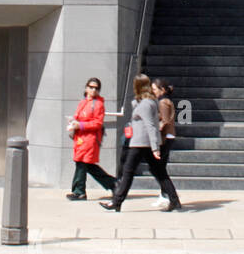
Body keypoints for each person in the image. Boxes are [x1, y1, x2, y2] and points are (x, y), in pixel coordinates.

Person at [100, 74, 183, 213]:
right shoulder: (147, 102)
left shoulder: (146, 103)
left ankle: (117, 201)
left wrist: (155, 146)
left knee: (128, 171)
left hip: (140, 143)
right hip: (143, 142)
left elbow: (151, 125)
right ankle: (174, 200)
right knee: (158, 172)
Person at [65, 77, 115, 201]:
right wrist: (73, 122)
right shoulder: (83, 102)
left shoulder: (98, 104)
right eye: (91, 87)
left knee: (82, 163)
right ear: (86, 88)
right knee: (86, 165)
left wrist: (80, 125)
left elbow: (97, 123)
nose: (93, 90)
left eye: (96, 88)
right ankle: (114, 184)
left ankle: (79, 191)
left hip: (89, 138)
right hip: (81, 138)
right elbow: (78, 116)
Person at [151, 78, 177, 209]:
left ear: (162, 90)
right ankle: (165, 196)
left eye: (154, 89)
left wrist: (154, 128)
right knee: (160, 169)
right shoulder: (164, 101)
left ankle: (172, 197)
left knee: (159, 170)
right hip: (167, 137)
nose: (152, 92)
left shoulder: (163, 102)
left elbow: (165, 121)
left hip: (165, 139)